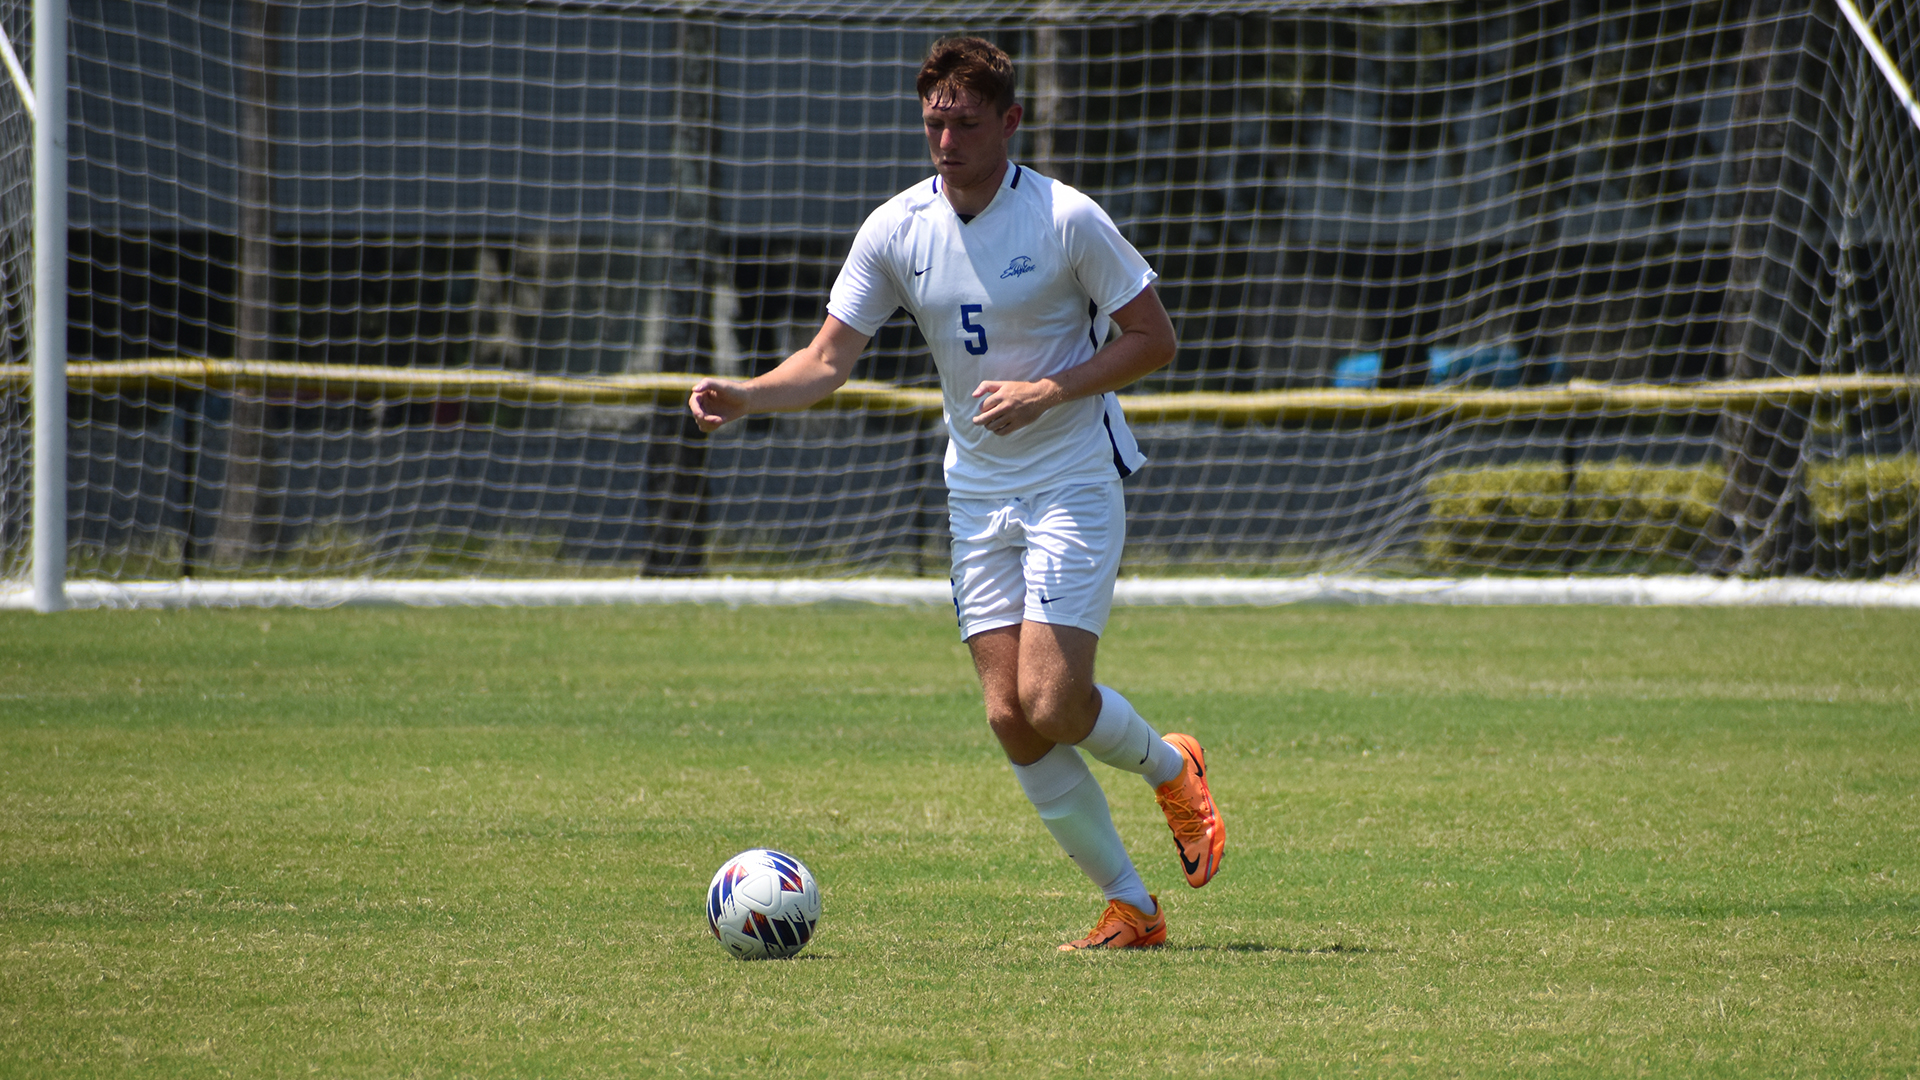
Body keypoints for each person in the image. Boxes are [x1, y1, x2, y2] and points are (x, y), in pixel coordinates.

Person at [688, 36, 1223, 951]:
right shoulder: (896, 228)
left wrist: (1048, 390)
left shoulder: (1066, 218)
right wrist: (747, 395)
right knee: (1009, 715)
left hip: (1070, 479)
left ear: (1009, 122)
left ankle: (1173, 769)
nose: (946, 141)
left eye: (966, 124)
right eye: (935, 122)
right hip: (977, 494)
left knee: (1054, 701)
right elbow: (827, 359)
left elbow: (1154, 338)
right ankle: (1134, 908)